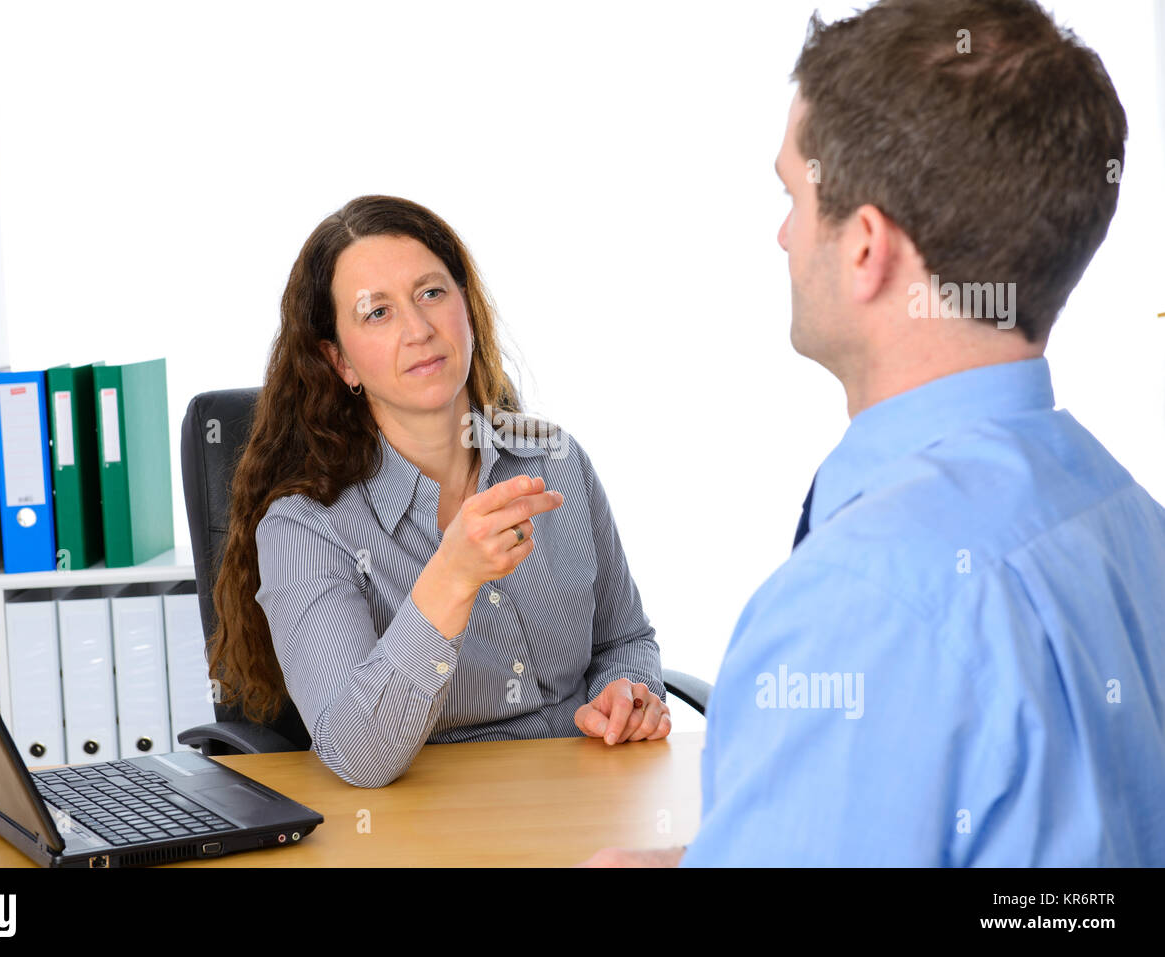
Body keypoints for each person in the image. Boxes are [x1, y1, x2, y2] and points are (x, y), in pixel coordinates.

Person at [584, 0, 1165, 866]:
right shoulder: (1128, 521)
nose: (782, 234)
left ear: (865, 248)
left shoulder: (866, 605)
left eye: (793, 195)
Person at [208, 194, 669, 788]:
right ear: (339, 360)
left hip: (588, 797)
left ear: (466, 309)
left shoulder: (555, 459)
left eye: (431, 293)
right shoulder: (305, 527)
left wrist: (625, 699)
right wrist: (451, 579)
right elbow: (358, 756)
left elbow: (625, 638)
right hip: (433, 821)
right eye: (377, 313)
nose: (420, 330)